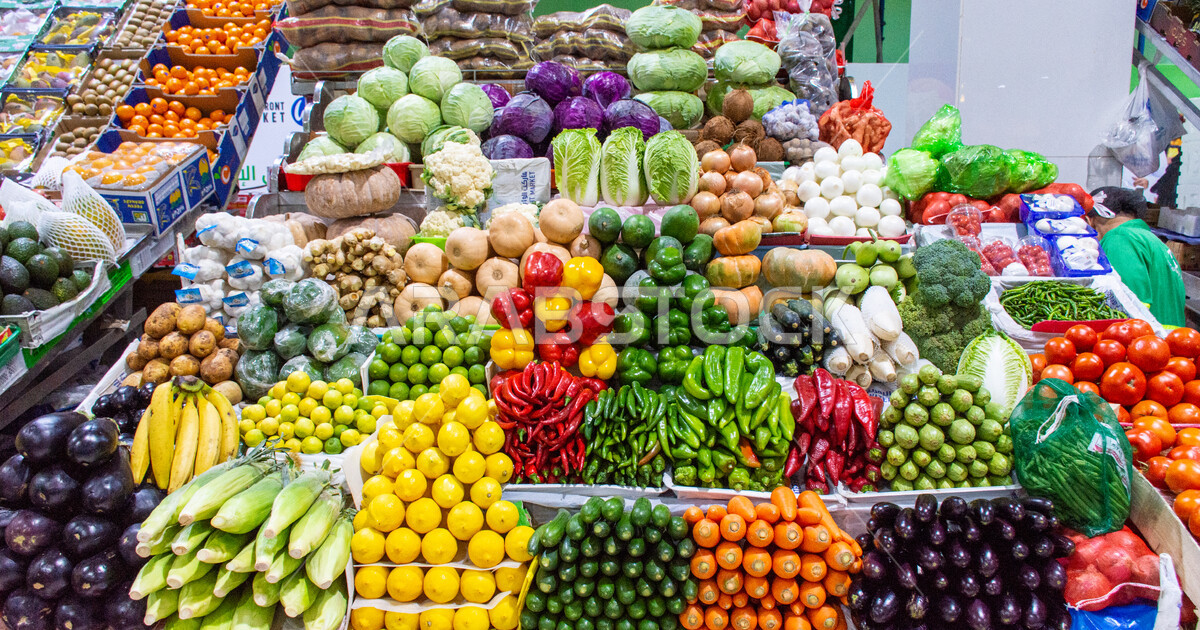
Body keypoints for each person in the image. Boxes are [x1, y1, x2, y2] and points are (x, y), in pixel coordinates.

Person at [1086, 186, 1185, 327]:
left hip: (1147, 336)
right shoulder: (1151, 240)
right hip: (1171, 335)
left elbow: (1129, 304)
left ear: (1090, 221)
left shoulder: (1119, 238)